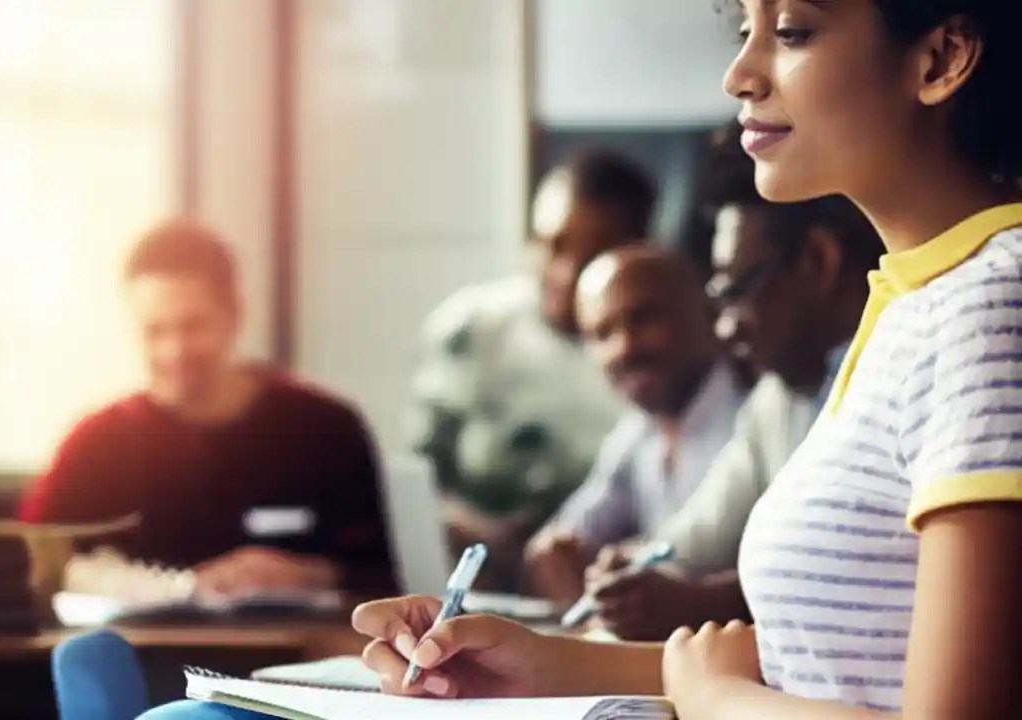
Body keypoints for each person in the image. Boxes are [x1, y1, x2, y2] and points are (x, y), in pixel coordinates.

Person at [344, 2, 1022, 718]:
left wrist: (716, 697)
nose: (739, 75)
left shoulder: (990, 308)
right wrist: (536, 665)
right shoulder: (913, 301)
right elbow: (838, 667)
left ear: (941, 58)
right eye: (743, 32)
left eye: (790, 32)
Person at [581, 120, 884, 641]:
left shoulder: (896, 381)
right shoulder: (778, 397)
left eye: (738, 289)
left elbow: (866, 578)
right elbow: (699, 538)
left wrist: (704, 602)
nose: (725, 324)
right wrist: (636, 570)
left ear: (819, 261)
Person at [20, 220, 397, 597]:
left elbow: (388, 572)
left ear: (235, 314)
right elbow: (31, 564)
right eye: (155, 331)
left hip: (297, 647)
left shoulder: (326, 430)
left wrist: (308, 574)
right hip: (140, 650)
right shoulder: (95, 443)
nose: (174, 351)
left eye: (193, 326)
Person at [409, 150, 655, 590]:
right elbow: (415, 483)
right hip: (469, 583)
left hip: (598, 591)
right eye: (554, 245)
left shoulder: (654, 354)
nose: (567, 270)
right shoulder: (472, 330)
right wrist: (478, 535)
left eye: (595, 251)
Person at [524, 247, 747, 606]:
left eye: (644, 319)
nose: (624, 348)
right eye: (601, 333)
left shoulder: (751, 416)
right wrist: (559, 555)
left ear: (704, 312)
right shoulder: (638, 431)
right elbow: (571, 536)